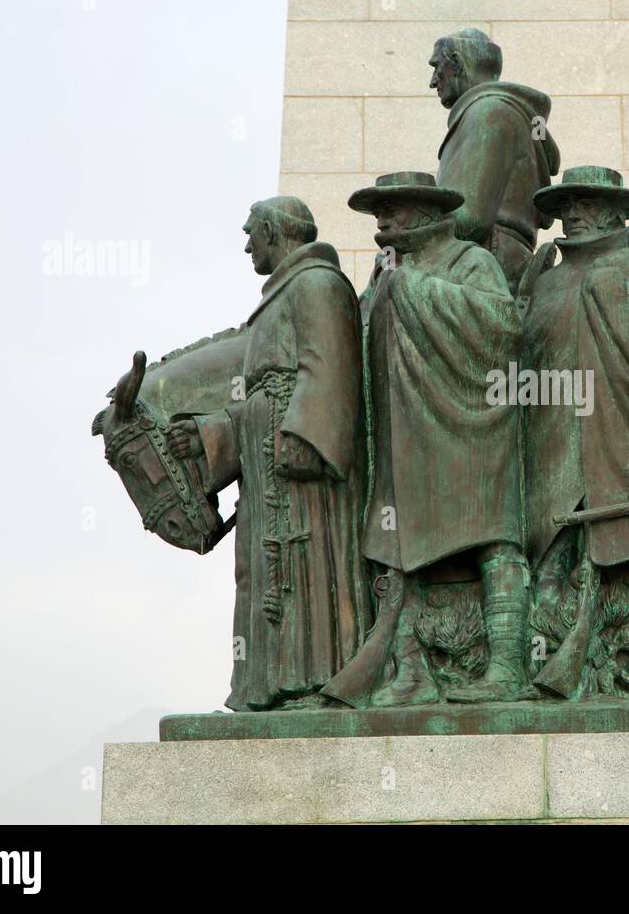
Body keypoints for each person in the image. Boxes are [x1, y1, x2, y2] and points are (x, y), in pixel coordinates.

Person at [334, 171, 533, 705]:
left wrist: (412, 289)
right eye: (379, 210)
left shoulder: (470, 261)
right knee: (395, 549)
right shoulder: (384, 271)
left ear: (424, 214)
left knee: (494, 538)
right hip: (403, 434)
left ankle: (509, 667)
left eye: (392, 209)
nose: (382, 220)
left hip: (471, 428)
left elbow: (503, 327)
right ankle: (410, 669)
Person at [166, 197, 368, 711]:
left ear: (276, 231)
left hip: (303, 466)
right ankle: (268, 687)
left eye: (251, 231)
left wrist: (302, 443)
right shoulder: (282, 293)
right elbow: (261, 396)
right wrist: (217, 433)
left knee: (307, 566)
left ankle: (316, 682)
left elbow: (330, 374)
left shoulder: (319, 284)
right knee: (263, 574)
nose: (246, 242)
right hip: (267, 456)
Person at [520, 166, 629, 698]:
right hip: (553, 447)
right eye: (565, 204)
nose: (569, 214)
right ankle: (538, 666)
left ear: (614, 213)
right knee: (549, 570)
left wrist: (615, 291)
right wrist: (522, 294)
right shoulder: (547, 281)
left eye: (584, 203)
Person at [429, 28, 561, 295]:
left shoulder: (487, 112)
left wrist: (413, 232)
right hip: (494, 265)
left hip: (483, 273)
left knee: (393, 281)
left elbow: (469, 221)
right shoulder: (511, 114)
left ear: (456, 63)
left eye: (437, 67)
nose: (433, 81)